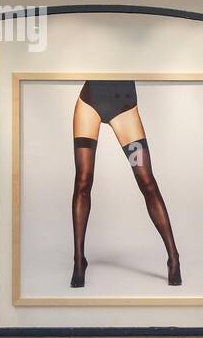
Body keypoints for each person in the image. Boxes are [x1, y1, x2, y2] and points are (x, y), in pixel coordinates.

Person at [69, 79, 182, 288]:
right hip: (89, 103)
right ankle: (78, 260)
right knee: (83, 179)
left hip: (123, 109)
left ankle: (173, 257)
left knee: (146, 180)